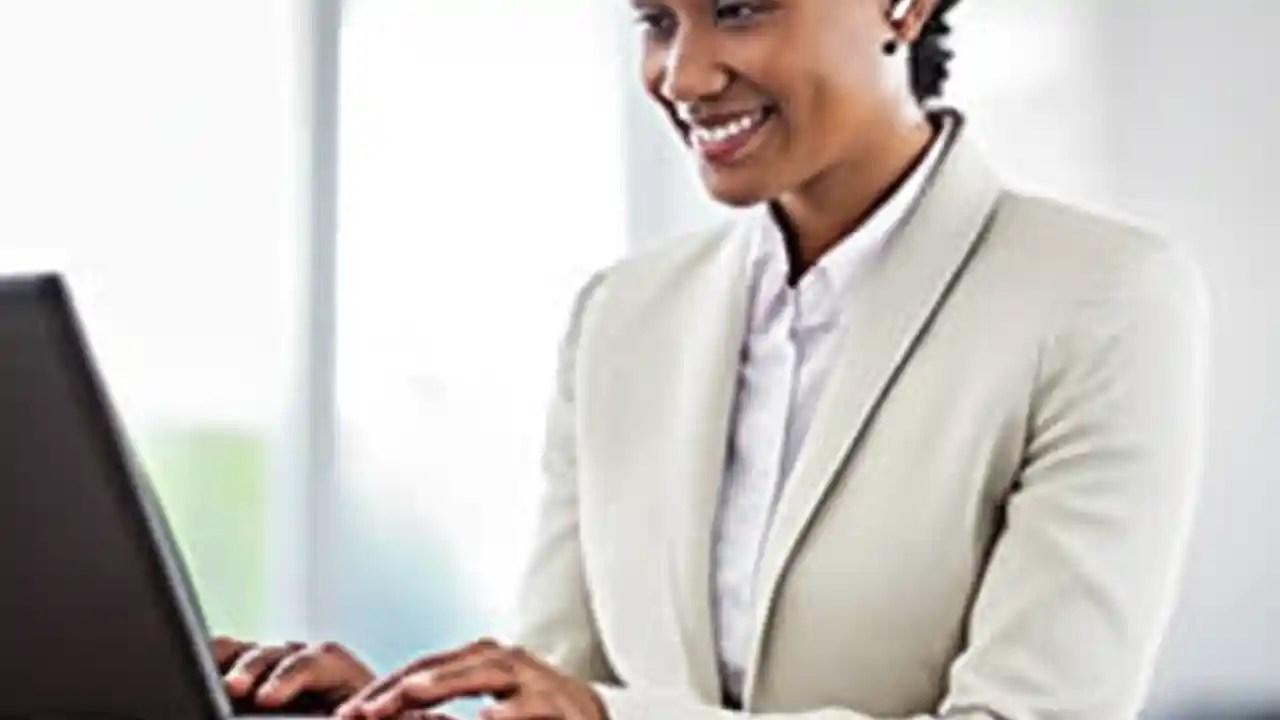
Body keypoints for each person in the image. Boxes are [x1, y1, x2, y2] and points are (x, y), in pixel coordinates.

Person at [216, 0, 1209, 718]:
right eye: (655, 20)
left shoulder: (1099, 298)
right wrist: (387, 711)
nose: (683, 76)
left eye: (738, 10)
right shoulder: (623, 317)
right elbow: (565, 689)